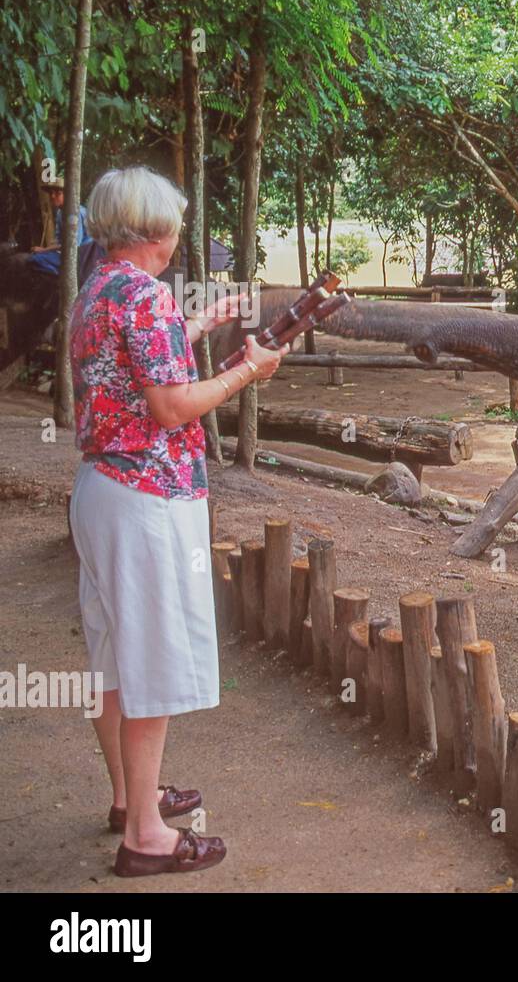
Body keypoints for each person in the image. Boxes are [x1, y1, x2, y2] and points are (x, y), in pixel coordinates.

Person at [68, 165, 287, 876]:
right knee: (153, 666)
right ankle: (146, 837)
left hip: (100, 490)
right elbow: (168, 406)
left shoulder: (99, 290)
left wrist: (198, 324)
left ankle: (131, 799)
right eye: (176, 223)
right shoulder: (148, 296)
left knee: (112, 660)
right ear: (156, 231)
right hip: (146, 499)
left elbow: (132, 367)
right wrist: (245, 372)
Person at [30, 177, 94, 276]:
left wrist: (44, 250)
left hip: (83, 256)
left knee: (36, 259)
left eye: (58, 193)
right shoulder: (61, 212)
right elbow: (59, 239)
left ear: (67, 195)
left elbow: (74, 245)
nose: (52, 196)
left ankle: (61, 276)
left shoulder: (74, 213)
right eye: (51, 193)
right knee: (37, 258)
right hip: (68, 252)